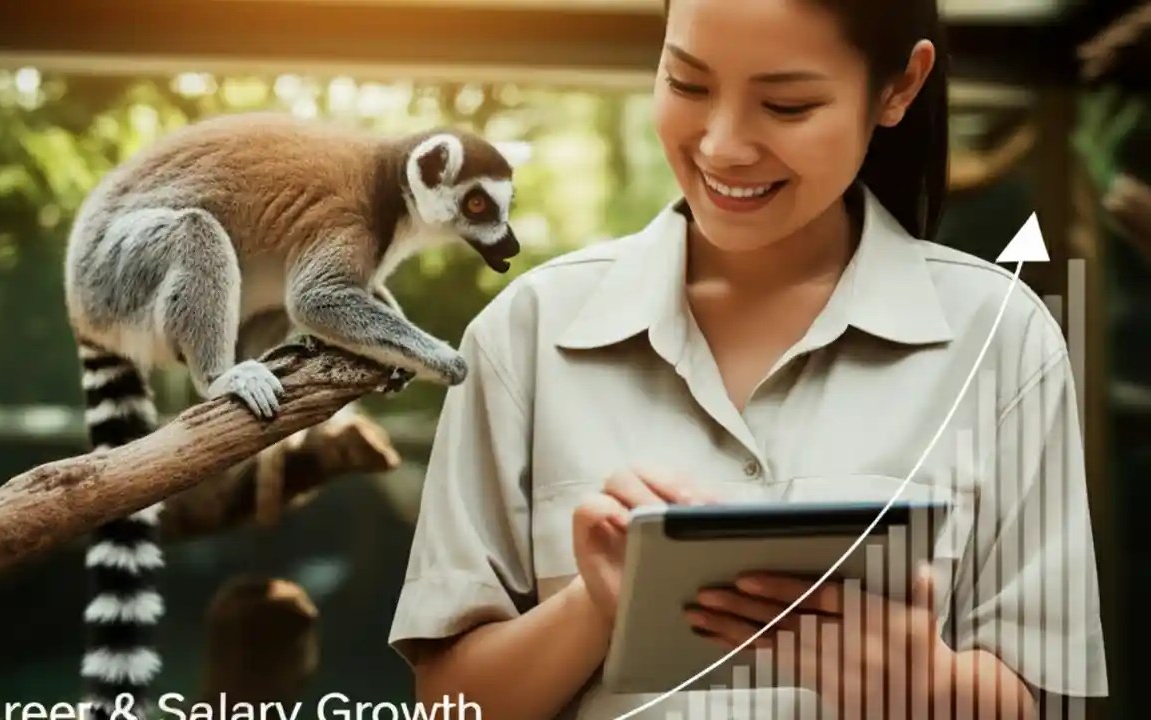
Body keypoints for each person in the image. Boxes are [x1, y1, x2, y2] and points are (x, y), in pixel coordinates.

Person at [386, 0, 1110, 717]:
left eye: (787, 105)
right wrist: (597, 605)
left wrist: (924, 685)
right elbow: (450, 705)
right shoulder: (527, 335)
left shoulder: (1002, 338)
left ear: (900, 87)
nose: (723, 146)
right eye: (687, 83)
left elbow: (1049, 701)